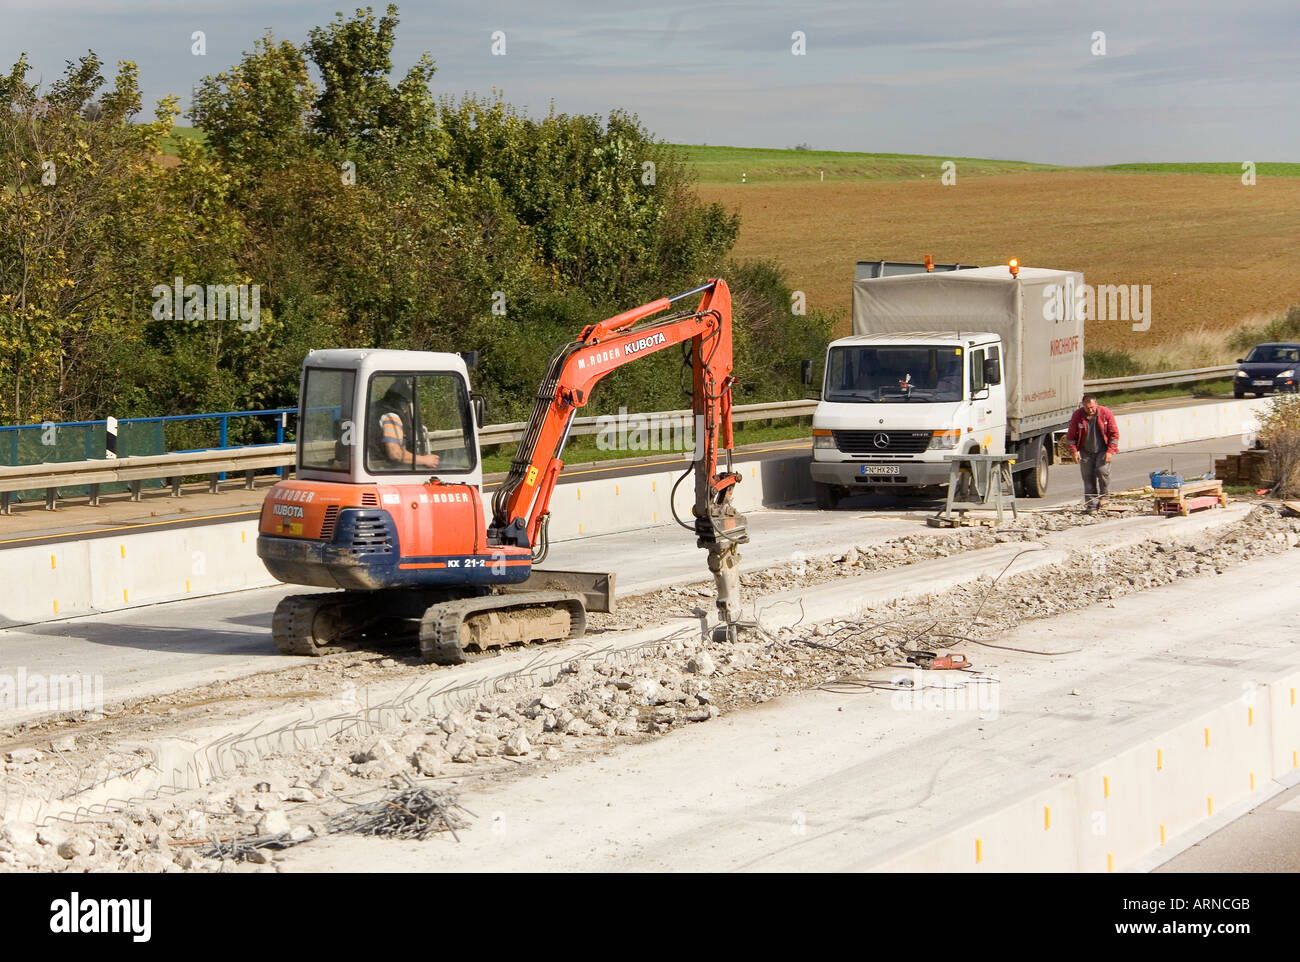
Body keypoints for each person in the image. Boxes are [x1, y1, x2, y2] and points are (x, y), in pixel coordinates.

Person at [1066, 393, 1119, 513]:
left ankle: (1104, 497)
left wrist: (1110, 451)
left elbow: (1114, 434)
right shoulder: (1078, 415)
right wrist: (1074, 451)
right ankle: (1091, 506)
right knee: (1088, 477)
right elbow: (1071, 436)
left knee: (1102, 471)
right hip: (1086, 451)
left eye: (1092, 408)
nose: (1090, 410)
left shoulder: (1106, 413)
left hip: (1102, 449)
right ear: (1083, 406)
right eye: (1087, 408)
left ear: (1096, 404)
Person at [370, 383, 440, 470]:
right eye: (407, 403)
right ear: (398, 401)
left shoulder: (375, 411)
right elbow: (395, 454)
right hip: (384, 470)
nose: (406, 408)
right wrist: (424, 460)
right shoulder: (391, 417)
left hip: (376, 467)